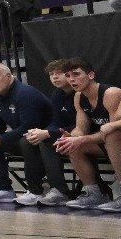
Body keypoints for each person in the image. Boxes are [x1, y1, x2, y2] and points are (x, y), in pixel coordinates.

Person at [57, 59, 121, 212]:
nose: (71, 79)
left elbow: (114, 129)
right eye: (68, 76)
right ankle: (95, 194)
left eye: (76, 74)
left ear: (91, 75)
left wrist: (82, 139)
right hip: (108, 141)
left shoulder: (110, 94)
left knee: (112, 136)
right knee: (72, 145)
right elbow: (80, 128)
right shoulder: (79, 97)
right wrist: (72, 137)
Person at [0, 63, 56, 206]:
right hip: (25, 138)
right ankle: (3, 189)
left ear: (8, 76)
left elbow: (29, 126)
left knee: (26, 141)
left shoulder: (25, 94)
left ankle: (35, 191)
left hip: (47, 140)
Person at [22, 60, 83, 206]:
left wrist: (49, 133)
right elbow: (57, 121)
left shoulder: (81, 93)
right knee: (33, 141)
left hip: (84, 133)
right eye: (51, 74)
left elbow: (82, 125)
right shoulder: (56, 94)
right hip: (65, 133)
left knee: (50, 140)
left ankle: (95, 189)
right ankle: (47, 190)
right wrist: (43, 131)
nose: (55, 77)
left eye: (59, 73)